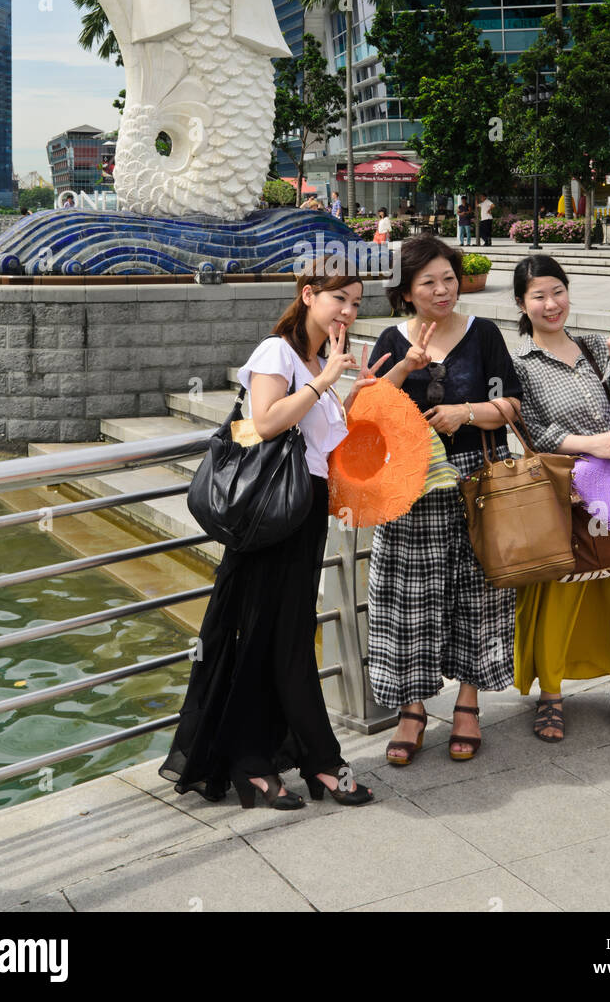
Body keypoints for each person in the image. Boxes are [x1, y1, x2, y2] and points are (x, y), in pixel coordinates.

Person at [159, 264, 385, 811]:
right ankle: (311, 764)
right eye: (339, 300)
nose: (348, 312)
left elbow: (317, 436)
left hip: (303, 514)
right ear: (308, 296)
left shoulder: (315, 362)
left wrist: (358, 388)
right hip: (269, 516)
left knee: (280, 641)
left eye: (355, 303)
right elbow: (264, 423)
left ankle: (269, 763)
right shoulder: (277, 353)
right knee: (271, 641)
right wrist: (326, 381)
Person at [367, 237, 523, 765]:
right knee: (407, 601)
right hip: (411, 490)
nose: (442, 290)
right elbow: (367, 411)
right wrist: (403, 367)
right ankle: (412, 711)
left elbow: (512, 406)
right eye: (428, 282)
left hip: (478, 484)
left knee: (479, 594)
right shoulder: (391, 339)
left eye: (449, 279)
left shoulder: (484, 335)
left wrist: (467, 413)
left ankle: (467, 707)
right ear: (407, 291)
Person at [510, 254, 610, 741]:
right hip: (564, 493)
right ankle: (551, 697)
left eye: (558, 291)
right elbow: (531, 428)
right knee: (560, 593)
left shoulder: (595, 347)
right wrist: (587, 445)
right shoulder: (521, 366)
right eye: (539, 295)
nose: (551, 303)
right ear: (522, 304)